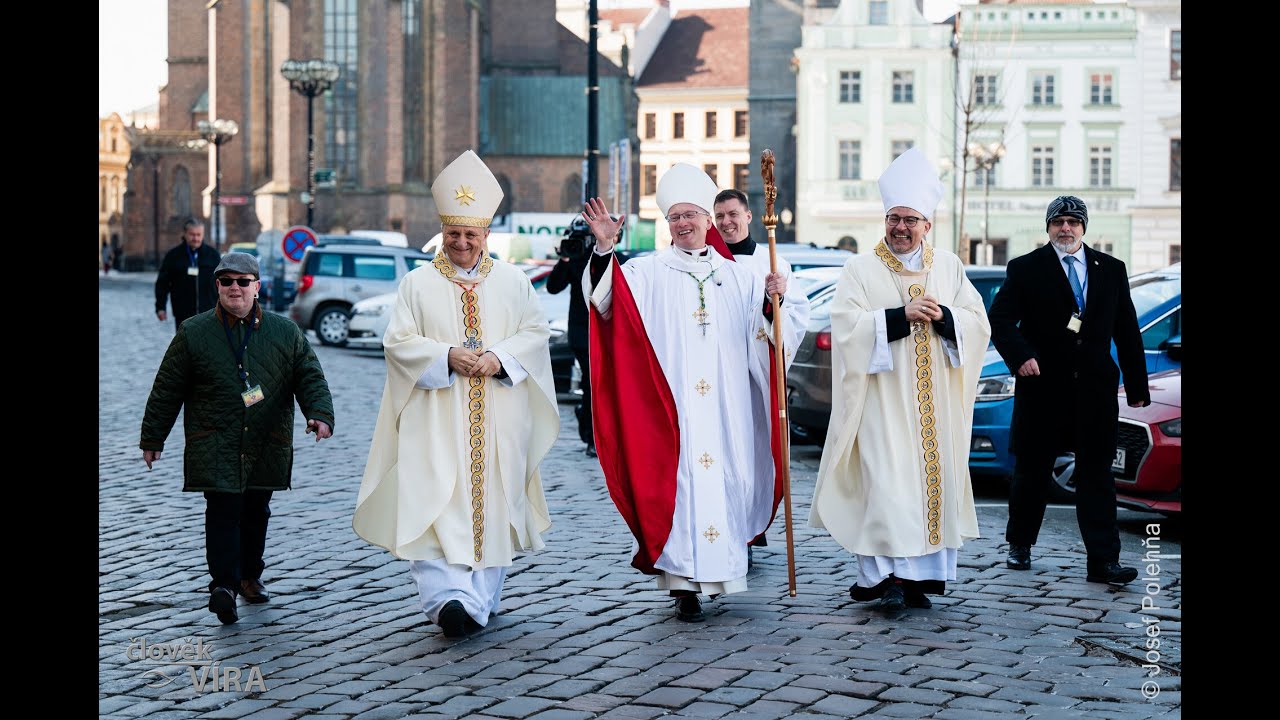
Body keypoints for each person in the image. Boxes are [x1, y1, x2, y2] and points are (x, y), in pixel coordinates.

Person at [581, 163, 805, 622]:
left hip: (726, 405)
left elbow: (765, 335)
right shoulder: (646, 272)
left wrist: (772, 302)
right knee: (681, 485)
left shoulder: (740, 275)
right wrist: (605, 248)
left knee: (726, 481)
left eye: (691, 215)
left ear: (709, 219)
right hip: (675, 405)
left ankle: (722, 571)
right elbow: (605, 303)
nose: (683, 223)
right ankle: (683, 585)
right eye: (675, 217)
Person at [353, 150, 560, 639]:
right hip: (435, 417)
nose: (462, 243)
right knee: (436, 501)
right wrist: (445, 355)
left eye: (470, 234)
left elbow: (535, 333)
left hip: (500, 420)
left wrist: (500, 358)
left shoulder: (512, 281)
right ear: (442, 234)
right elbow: (397, 341)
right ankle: (446, 599)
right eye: (454, 234)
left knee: (495, 504)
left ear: (486, 234)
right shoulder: (416, 284)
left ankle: (481, 601)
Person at [810, 148, 990, 613]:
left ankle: (919, 581)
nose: (901, 228)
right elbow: (846, 326)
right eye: (894, 219)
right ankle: (882, 578)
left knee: (929, 487)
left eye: (911, 220)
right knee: (886, 488)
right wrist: (897, 317)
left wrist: (946, 318)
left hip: (936, 411)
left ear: (927, 224)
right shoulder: (859, 269)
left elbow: (977, 322)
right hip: (882, 405)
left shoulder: (947, 266)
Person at [140, 252, 335, 625]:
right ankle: (224, 586)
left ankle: (249, 575)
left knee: (256, 511)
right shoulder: (194, 332)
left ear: (257, 287)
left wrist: (320, 415)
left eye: (243, 282)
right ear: (217, 286)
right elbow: (167, 388)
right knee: (223, 511)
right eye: (227, 281)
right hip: (215, 437)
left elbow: (309, 375)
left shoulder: (285, 332)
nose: (235, 288)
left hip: (266, 437)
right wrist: (153, 438)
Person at [989, 195, 1150, 585]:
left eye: (1073, 222)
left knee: (1098, 475)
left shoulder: (1111, 269)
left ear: (1083, 227)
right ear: (1048, 227)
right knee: (1032, 470)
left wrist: (1137, 385)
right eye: (1058, 221)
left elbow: (1126, 328)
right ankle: (1020, 545)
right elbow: (1001, 319)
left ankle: (1104, 562)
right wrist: (1020, 356)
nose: (1066, 228)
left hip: (1095, 390)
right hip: (1042, 387)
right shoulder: (1026, 268)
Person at [712, 188, 811, 564]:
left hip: (753, 380)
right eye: (719, 216)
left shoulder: (771, 261)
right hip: (715, 381)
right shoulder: (706, 262)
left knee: (750, 459)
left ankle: (750, 531)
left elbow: (796, 319)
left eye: (733, 214)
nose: (726, 222)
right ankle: (724, 531)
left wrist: (777, 301)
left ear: (749, 216)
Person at [545, 219, 628, 457]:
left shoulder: (618, 259)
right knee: (592, 384)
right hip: (583, 334)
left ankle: (602, 430)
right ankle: (593, 436)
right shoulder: (575, 260)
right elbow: (552, 287)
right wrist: (565, 258)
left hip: (611, 332)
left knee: (609, 385)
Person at [156, 218, 221, 331]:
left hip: (209, 313)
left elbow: (222, 283)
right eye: (192, 234)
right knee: (185, 346)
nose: (195, 238)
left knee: (207, 347)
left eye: (198, 235)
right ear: (185, 234)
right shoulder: (173, 256)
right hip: (183, 314)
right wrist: (160, 307)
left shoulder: (213, 255)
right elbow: (162, 283)